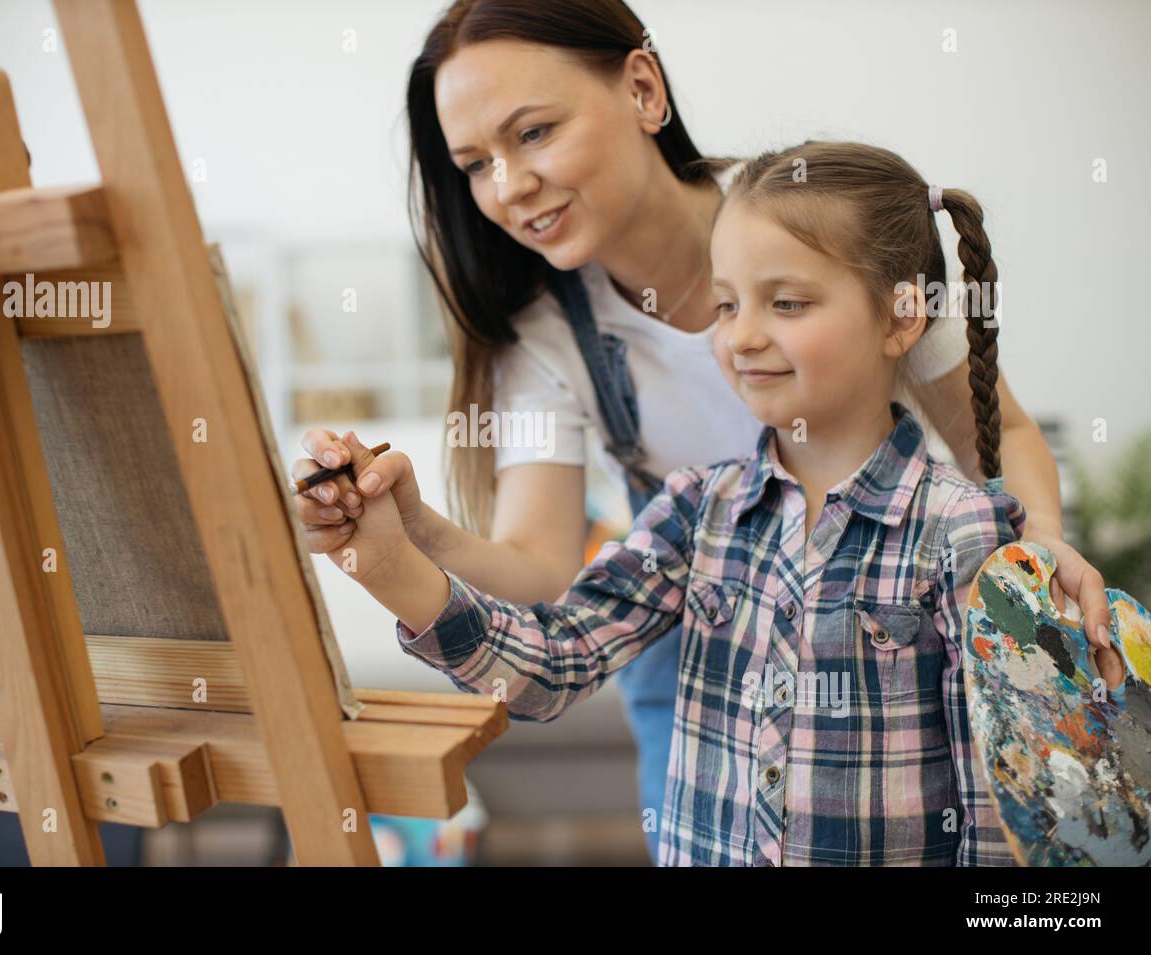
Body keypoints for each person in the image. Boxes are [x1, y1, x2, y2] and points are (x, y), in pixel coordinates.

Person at [292, 0, 1113, 863]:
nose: (507, 186)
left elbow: (998, 434)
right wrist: (406, 539)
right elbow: (542, 583)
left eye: (533, 133)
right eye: (475, 163)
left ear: (642, 88)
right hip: (703, 626)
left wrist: (1040, 557)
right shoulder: (595, 393)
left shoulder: (827, 219)